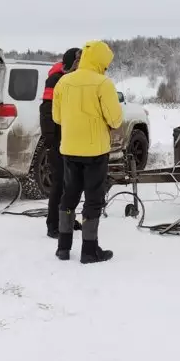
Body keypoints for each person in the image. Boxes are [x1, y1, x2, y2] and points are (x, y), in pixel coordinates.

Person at [51, 40, 122, 263]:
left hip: (69, 149)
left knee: (69, 195)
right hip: (95, 151)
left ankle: (63, 248)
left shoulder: (63, 82)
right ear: (101, 61)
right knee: (93, 199)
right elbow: (116, 120)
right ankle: (90, 251)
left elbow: (57, 118)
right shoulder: (103, 84)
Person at [38, 47, 81, 238]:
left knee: (72, 182)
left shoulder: (75, 80)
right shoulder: (55, 80)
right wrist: (51, 138)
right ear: (71, 62)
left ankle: (68, 218)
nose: (81, 65)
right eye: (78, 61)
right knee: (59, 182)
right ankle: (53, 224)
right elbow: (46, 111)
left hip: (71, 138)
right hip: (57, 139)